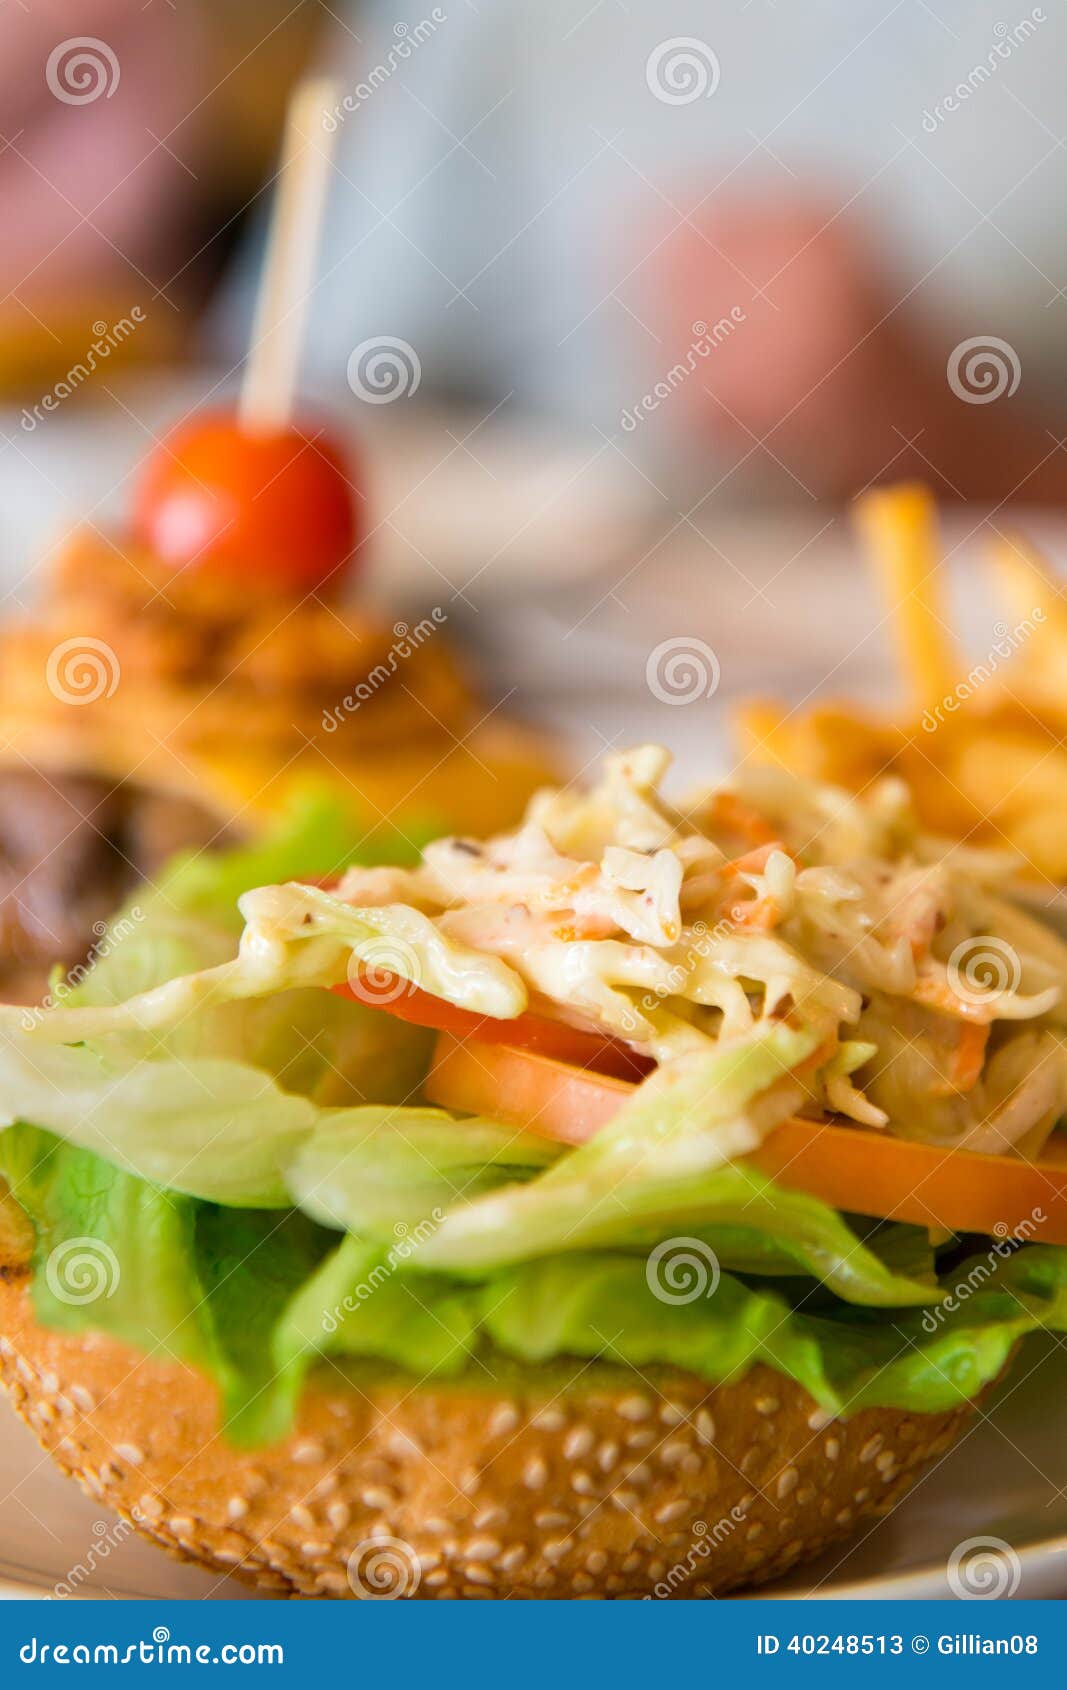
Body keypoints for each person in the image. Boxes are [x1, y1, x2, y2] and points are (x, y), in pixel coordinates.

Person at [293, 0, 1067, 502]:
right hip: (533, 661)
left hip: (959, 658)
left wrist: (943, 434)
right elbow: (305, 385)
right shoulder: (468, 22)